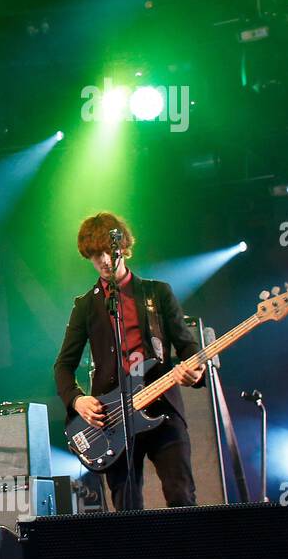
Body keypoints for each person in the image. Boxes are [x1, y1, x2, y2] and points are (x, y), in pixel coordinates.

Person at [53, 213, 205, 511]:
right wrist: (77, 401)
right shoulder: (85, 306)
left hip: (162, 405)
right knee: (127, 507)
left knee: (182, 496)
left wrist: (195, 370)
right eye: (96, 256)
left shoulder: (157, 293)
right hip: (113, 418)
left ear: (122, 247)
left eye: (108, 252)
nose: (104, 261)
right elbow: (63, 365)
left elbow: (187, 345)